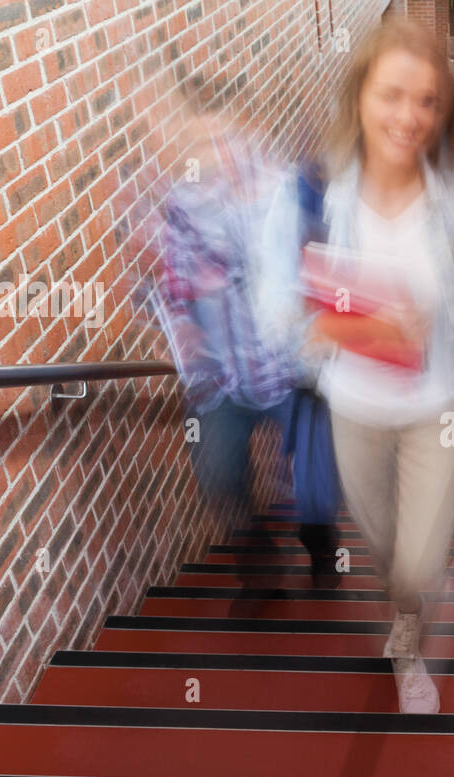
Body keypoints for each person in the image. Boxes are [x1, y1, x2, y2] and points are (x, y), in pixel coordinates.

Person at [285, 19, 454, 714]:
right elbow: (282, 316)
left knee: (418, 561)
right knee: (387, 551)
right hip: (354, 406)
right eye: (393, 95)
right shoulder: (317, 195)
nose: (410, 117)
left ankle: (409, 633)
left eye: (427, 102)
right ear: (359, 94)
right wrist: (353, 326)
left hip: (438, 405)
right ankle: (406, 610)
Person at [146, 77, 342, 584]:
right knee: (217, 475)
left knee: (318, 490)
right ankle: (262, 568)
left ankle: (321, 551)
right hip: (225, 375)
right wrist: (185, 323)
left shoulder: (287, 190)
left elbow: (323, 264)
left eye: (219, 139)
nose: (210, 155)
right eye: (196, 145)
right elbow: (176, 286)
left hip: (293, 369)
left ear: (245, 134)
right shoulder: (185, 207)